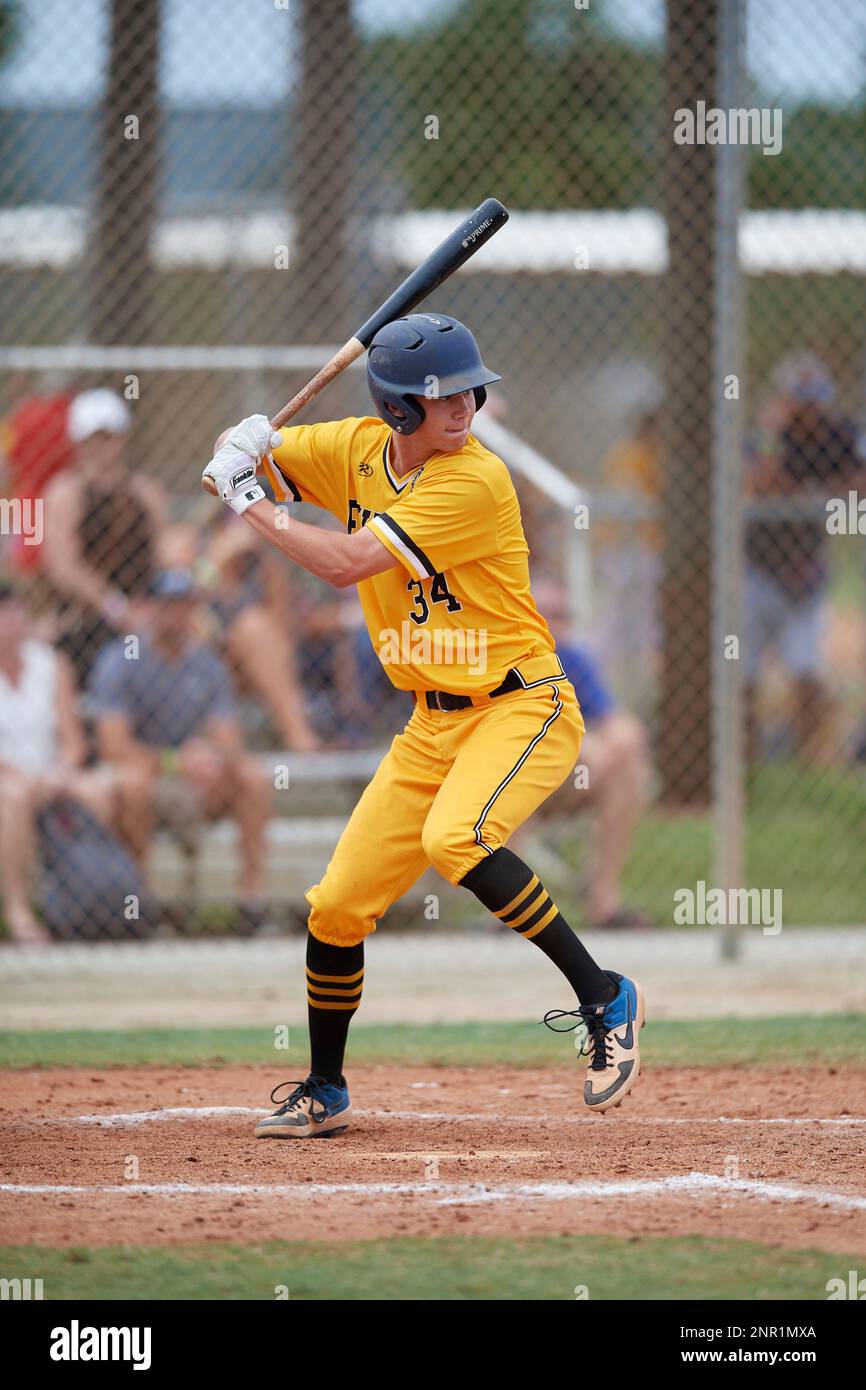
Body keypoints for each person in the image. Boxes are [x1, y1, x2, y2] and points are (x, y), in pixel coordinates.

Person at [202, 312, 646, 1136]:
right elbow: (260, 462)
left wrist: (248, 503)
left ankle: (604, 995)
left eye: (470, 392)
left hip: (523, 705)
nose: (465, 408)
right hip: (431, 724)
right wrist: (246, 445)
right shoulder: (355, 450)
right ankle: (325, 1088)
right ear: (398, 410)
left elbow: (341, 564)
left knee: (457, 840)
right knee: (336, 907)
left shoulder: (472, 481)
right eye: (442, 398)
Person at [88, 568, 272, 935]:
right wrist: (174, 761)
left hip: (199, 780)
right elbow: (113, 746)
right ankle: (141, 906)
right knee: (132, 784)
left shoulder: (207, 662)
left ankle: (252, 903)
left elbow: (228, 738)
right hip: (151, 778)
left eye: (186, 605)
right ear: (150, 608)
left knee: (254, 777)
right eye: (169, 605)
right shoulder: (123, 657)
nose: (178, 614)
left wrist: (211, 757)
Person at [744, 356, 864, 763]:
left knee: (807, 672)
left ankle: (808, 763)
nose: (810, 410)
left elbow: (858, 486)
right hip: (758, 570)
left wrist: (813, 494)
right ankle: (746, 761)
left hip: (805, 575)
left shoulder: (839, 435)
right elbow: (761, 482)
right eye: (800, 399)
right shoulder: (767, 435)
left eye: (816, 399)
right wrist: (772, 431)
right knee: (743, 674)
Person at [521, 582, 652, 930]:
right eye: (547, 615)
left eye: (563, 615)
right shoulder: (510, 660)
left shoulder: (574, 659)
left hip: (565, 780)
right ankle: (510, 912)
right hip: (511, 779)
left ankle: (603, 902)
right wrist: (580, 745)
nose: (556, 624)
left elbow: (616, 722)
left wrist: (614, 743)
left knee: (628, 756)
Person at [0, 578, 114, 944]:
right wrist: (23, 777)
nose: (11, 619)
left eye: (15, 609)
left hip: (50, 774)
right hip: (9, 778)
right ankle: (19, 910)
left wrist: (61, 773)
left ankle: (104, 904)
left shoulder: (51, 663)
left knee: (100, 791)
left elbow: (74, 741)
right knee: (13, 797)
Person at [42, 389, 165, 685]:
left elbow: (163, 555)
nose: (99, 447)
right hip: (83, 619)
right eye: (91, 439)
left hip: (143, 614)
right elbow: (63, 568)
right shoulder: (65, 493)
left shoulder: (145, 493)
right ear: (78, 442)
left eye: (107, 437)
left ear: (121, 439)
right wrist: (114, 606)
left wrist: (151, 606)